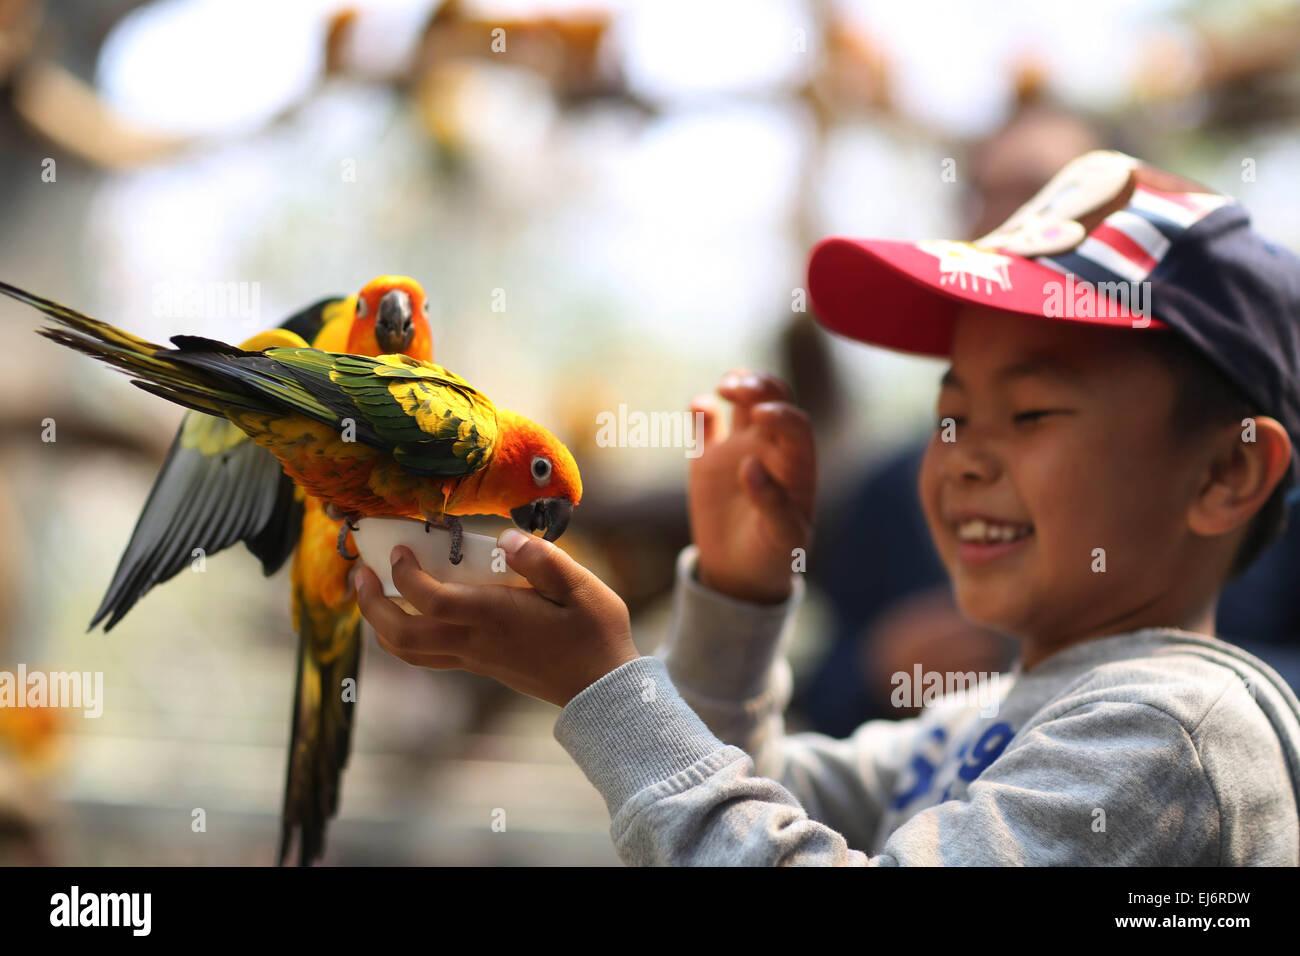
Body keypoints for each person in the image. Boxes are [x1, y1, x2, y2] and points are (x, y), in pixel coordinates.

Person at [354, 149, 1300, 864]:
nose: (964, 456)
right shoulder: (983, 720)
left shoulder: (1169, 735)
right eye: (953, 412)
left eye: (1033, 411)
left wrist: (606, 693)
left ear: (1226, 475)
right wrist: (736, 598)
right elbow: (757, 808)